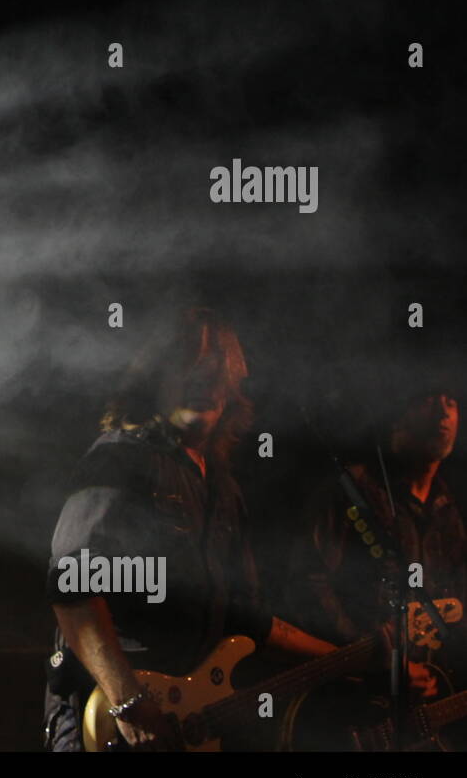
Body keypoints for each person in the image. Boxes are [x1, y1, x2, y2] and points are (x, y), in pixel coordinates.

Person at [43, 307, 333, 751]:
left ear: (233, 389)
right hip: (107, 723)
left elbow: (246, 620)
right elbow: (72, 588)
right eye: (191, 368)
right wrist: (129, 703)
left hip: (180, 725)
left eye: (219, 372)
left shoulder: (223, 488)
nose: (205, 381)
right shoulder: (120, 459)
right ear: (156, 381)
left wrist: (351, 659)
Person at [284, 375, 467, 747]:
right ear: (397, 413)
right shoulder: (352, 491)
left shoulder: (449, 511)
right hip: (350, 705)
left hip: (416, 713)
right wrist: (374, 658)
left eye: (450, 401)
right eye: (428, 397)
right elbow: (305, 586)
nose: (442, 411)